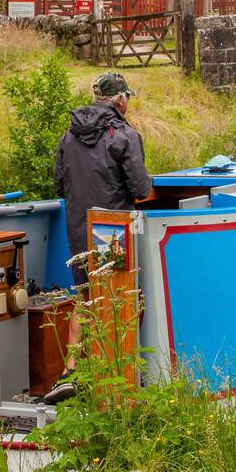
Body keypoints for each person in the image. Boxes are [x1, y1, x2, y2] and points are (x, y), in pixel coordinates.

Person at [45, 72, 152, 402]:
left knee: (86, 298)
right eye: (127, 99)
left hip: (79, 231)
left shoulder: (69, 136)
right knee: (121, 298)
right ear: (120, 101)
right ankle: (117, 378)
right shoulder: (125, 135)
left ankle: (71, 371)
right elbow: (140, 188)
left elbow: (60, 187)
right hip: (115, 234)